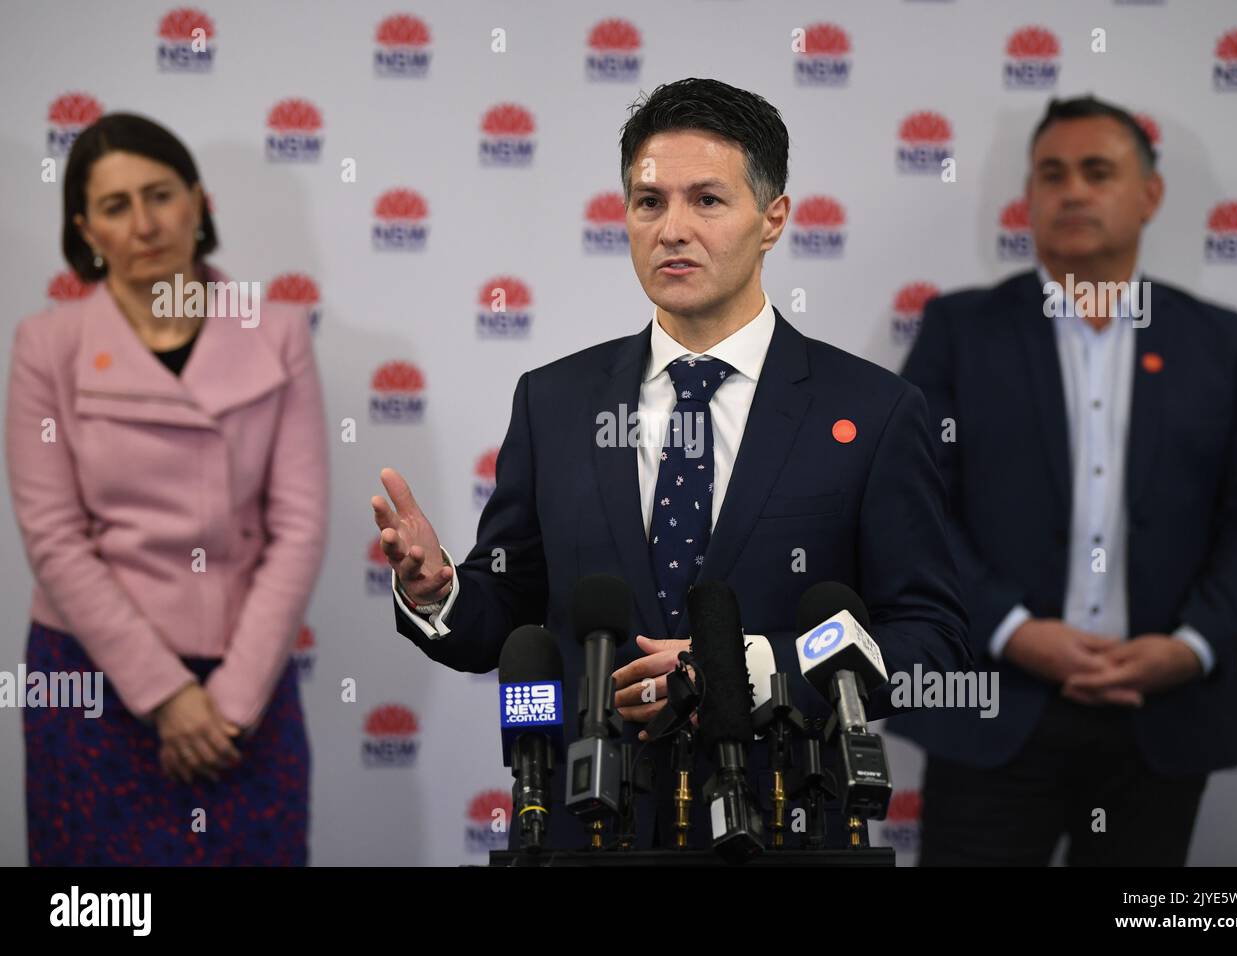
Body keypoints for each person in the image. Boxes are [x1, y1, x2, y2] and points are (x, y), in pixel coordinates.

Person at [372, 78, 971, 850]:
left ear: (773, 219)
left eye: (708, 201)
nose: (672, 230)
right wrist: (440, 591)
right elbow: (510, 616)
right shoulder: (553, 402)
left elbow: (929, 640)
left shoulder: (874, 411)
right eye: (649, 202)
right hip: (585, 826)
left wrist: (751, 667)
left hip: (779, 824)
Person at [888, 95, 1237, 866]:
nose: (1072, 190)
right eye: (1052, 173)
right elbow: (916, 507)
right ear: (1030, 197)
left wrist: (1191, 646)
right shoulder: (959, 331)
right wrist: (1013, 630)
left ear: (1150, 195)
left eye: (1098, 171)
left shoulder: (1221, 343)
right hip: (991, 710)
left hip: (1161, 717)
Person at [5, 112, 328, 865]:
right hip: (93, 683)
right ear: (85, 229)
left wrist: (231, 702)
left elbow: (301, 526)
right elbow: (53, 538)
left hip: (243, 690)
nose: (145, 223)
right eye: (116, 207)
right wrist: (166, 695)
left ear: (199, 203)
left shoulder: (275, 330)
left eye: (161, 195)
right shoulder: (46, 347)